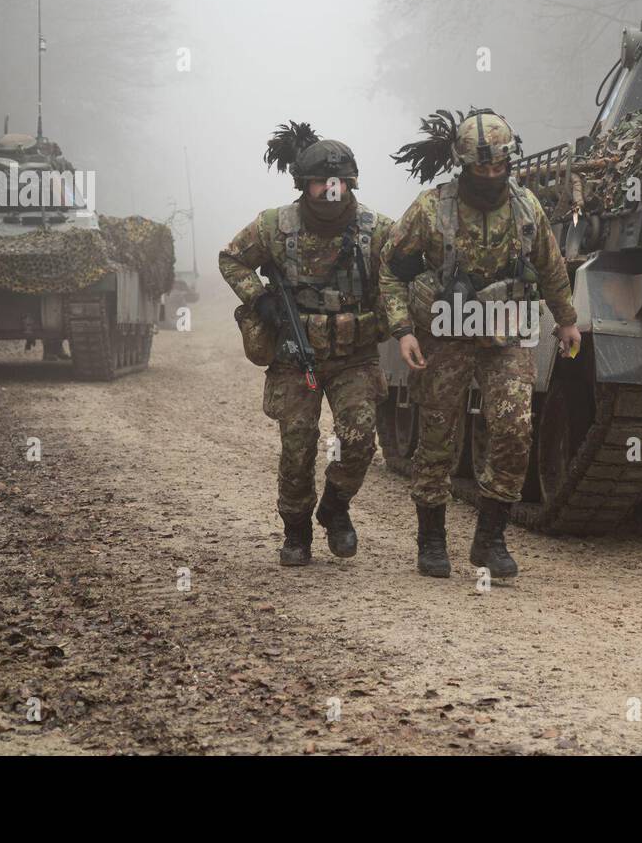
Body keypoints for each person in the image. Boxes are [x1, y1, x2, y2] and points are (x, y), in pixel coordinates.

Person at [381, 109, 580, 579]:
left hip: (505, 334)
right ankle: (431, 538)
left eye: (498, 167)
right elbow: (391, 270)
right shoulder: (431, 210)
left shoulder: (527, 208)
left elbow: (551, 267)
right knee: (437, 436)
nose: (490, 176)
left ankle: (490, 538)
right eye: (480, 168)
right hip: (445, 335)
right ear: (463, 164)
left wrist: (567, 320)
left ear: (509, 162)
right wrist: (403, 329)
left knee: (514, 429)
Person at [219, 123, 393, 566]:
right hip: (296, 359)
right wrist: (261, 299)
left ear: (351, 182)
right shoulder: (275, 226)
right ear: (304, 183)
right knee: (298, 447)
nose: (331, 189)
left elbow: (408, 266)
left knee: (358, 441)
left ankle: (335, 509)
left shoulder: (377, 230)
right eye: (321, 181)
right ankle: (295, 530)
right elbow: (232, 258)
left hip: (355, 357)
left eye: (339, 181)